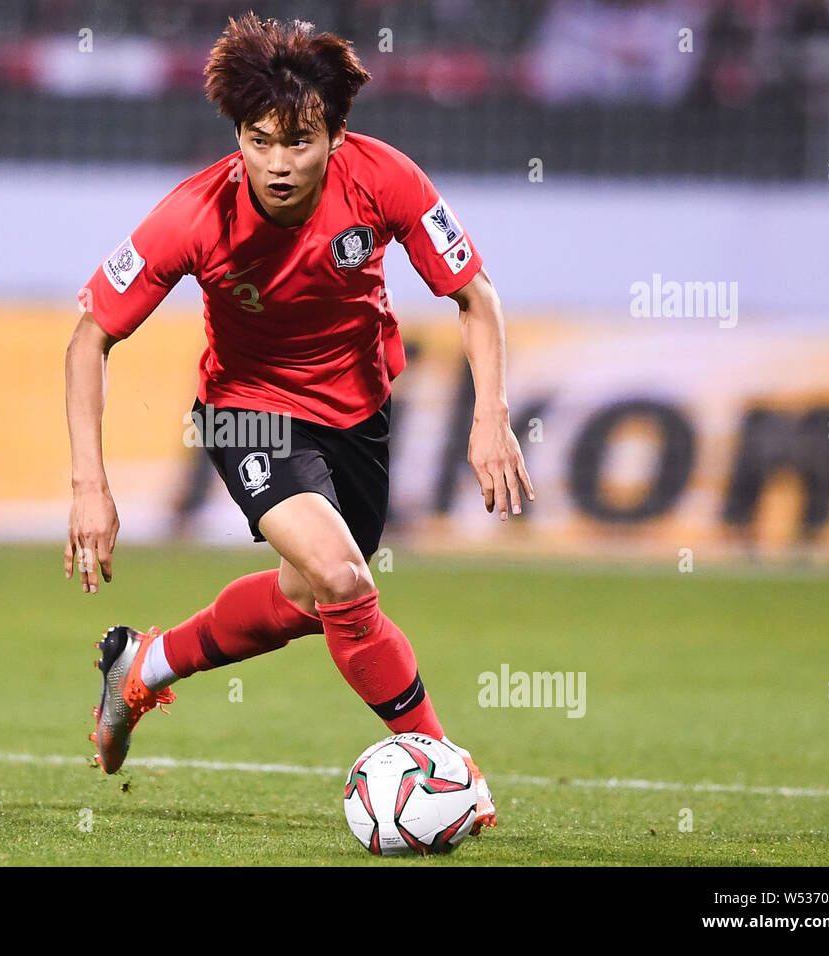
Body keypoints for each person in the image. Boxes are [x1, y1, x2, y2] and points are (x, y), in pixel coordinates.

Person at [64, 13, 533, 835]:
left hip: (358, 416)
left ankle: (146, 663)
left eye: (299, 142)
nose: (278, 165)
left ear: (335, 134)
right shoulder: (193, 215)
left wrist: (490, 415)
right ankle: (446, 768)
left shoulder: (385, 180)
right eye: (258, 140)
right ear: (238, 134)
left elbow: (475, 296)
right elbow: (90, 338)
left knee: (308, 599)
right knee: (345, 580)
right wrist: (88, 484)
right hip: (249, 415)